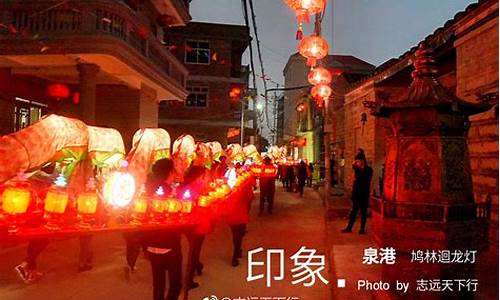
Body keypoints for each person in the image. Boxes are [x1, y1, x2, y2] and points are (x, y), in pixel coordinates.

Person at [142, 158, 183, 300]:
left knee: (158, 285)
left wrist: (144, 245)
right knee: (176, 284)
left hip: (152, 246)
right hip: (169, 244)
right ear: (169, 172)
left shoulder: (148, 191)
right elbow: (178, 218)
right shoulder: (170, 193)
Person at [181, 165, 212, 290]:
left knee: (194, 249)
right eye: (204, 176)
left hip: (188, 224)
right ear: (199, 176)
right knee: (195, 250)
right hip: (197, 224)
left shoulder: (184, 186)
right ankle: (188, 280)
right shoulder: (198, 189)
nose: (206, 178)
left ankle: (198, 265)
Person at [226, 164, 254, 266]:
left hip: (237, 212)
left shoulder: (244, 181)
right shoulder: (239, 182)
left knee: (237, 235)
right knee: (237, 235)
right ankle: (236, 253)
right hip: (236, 212)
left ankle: (237, 252)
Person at [341, 149, 373, 234]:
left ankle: (362, 228)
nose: (357, 163)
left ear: (362, 161)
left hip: (364, 194)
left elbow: (365, 180)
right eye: (356, 162)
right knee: (353, 211)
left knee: (363, 212)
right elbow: (355, 175)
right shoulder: (357, 170)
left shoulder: (368, 170)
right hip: (356, 194)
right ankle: (349, 227)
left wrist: (357, 178)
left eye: (358, 161)